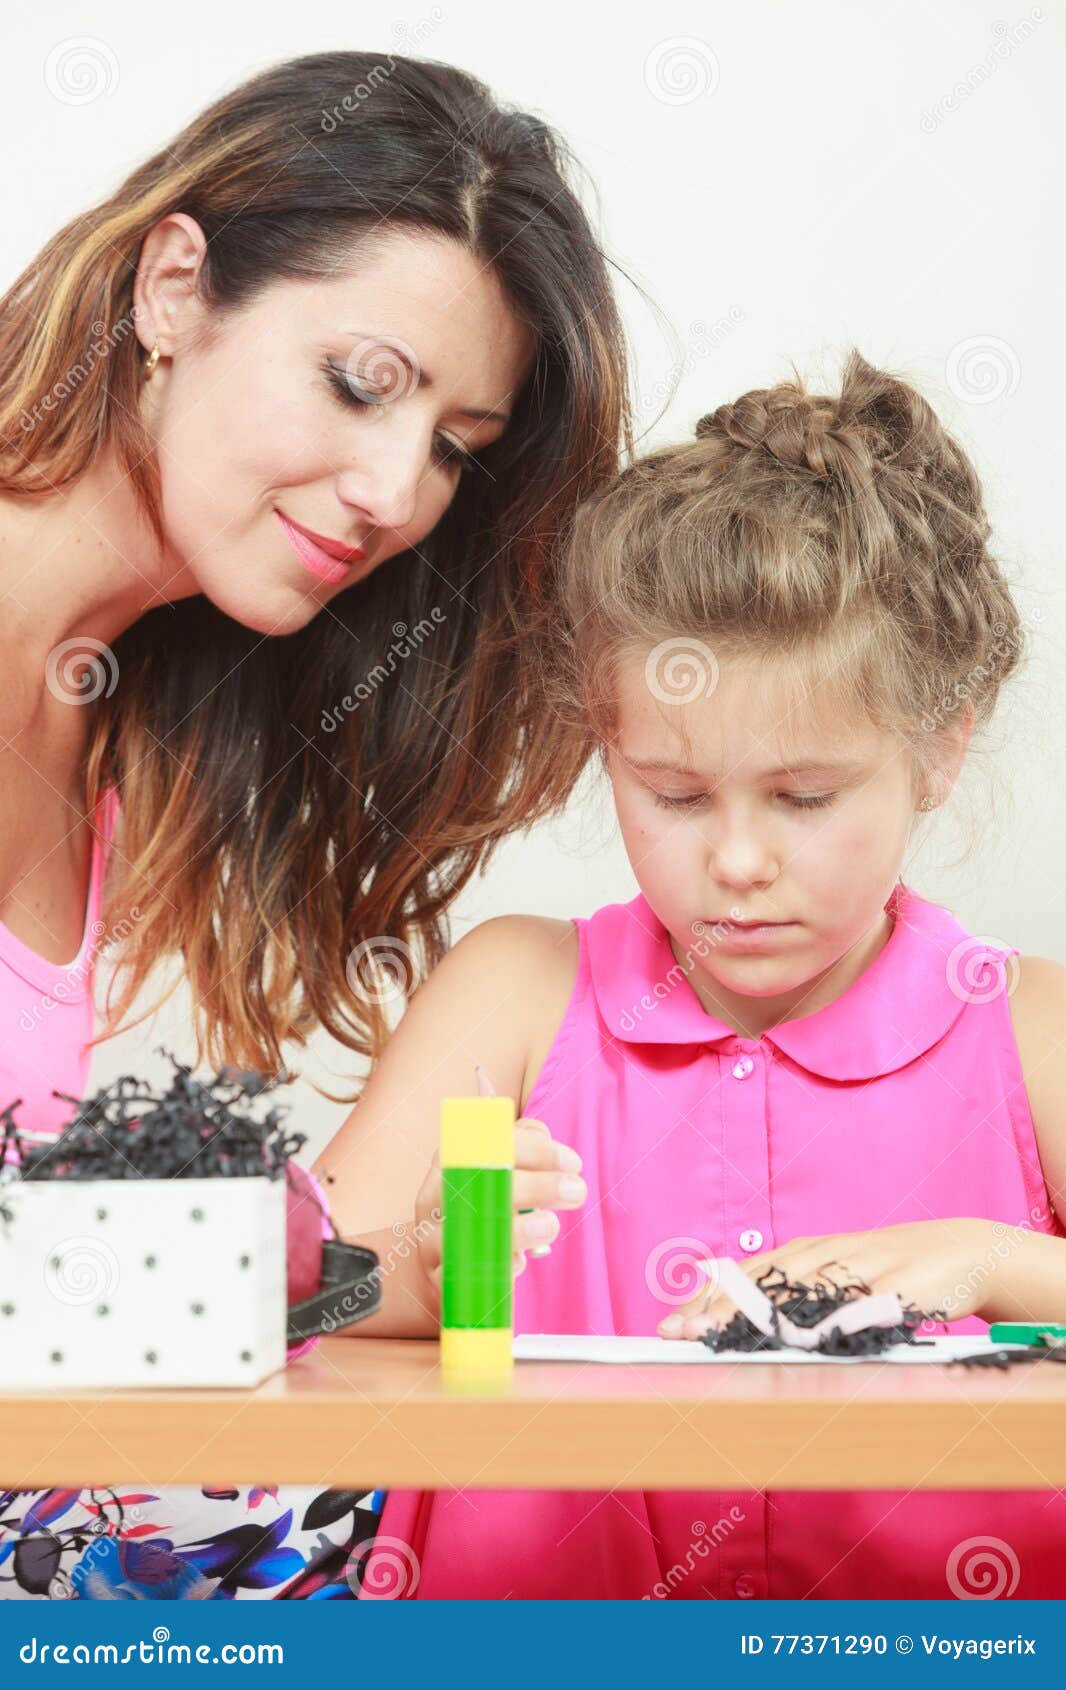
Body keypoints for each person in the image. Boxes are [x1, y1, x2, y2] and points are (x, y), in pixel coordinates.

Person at [0, 49, 633, 1599]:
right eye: (361, 383)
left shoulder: (113, 739)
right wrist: (279, 1276)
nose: (394, 493)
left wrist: (356, 1279)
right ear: (171, 287)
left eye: (453, 448)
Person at [316, 350, 1066, 1599]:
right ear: (604, 741)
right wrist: (429, 1257)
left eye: (805, 795)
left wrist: (993, 1262)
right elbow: (267, 1291)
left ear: (940, 749)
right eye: (670, 794)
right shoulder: (515, 996)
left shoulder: (1024, 1031)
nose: (735, 862)